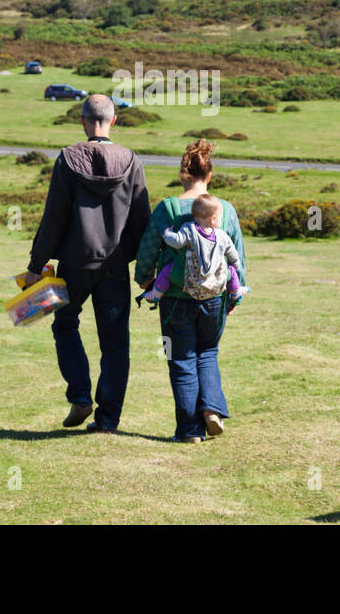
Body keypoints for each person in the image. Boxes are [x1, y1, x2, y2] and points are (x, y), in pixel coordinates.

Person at [24, 94, 150, 434]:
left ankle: (80, 396)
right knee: (115, 342)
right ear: (114, 121)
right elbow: (142, 219)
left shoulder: (67, 159)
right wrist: (147, 271)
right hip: (115, 267)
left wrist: (36, 265)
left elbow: (54, 218)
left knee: (65, 326)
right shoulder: (131, 160)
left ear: (82, 121)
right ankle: (107, 420)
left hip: (74, 263)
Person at [135, 140, 247, 442]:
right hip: (215, 299)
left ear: (183, 174)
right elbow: (238, 256)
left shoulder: (168, 208)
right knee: (208, 353)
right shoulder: (224, 209)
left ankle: (189, 431)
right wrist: (234, 295)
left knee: (182, 359)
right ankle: (211, 410)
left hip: (174, 299)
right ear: (208, 176)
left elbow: (147, 248)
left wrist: (144, 279)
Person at [146, 193, 245, 304]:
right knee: (230, 270)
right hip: (215, 280)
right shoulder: (223, 237)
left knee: (167, 270)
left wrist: (167, 233)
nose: (221, 220)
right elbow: (233, 254)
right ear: (213, 219)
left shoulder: (189, 229)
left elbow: (177, 241)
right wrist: (236, 265)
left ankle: (156, 294)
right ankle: (235, 292)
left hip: (192, 278)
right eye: (220, 218)